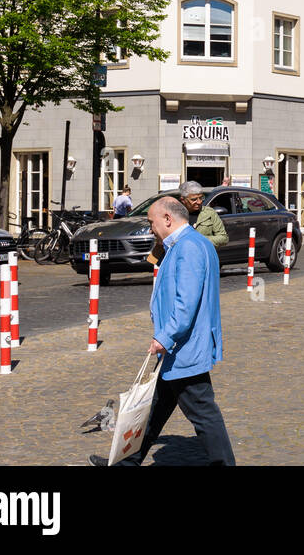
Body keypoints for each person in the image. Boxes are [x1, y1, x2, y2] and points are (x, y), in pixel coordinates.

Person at [91, 196, 235, 466]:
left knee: (204, 415)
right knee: (152, 409)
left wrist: (164, 337)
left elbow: (186, 303)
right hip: (179, 346)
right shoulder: (187, 243)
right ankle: (125, 463)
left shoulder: (189, 247)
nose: (150, 228)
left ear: (168, 219)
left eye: (151, 222)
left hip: (184, 346)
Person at [179, 180, 229, 249]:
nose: (199, 202)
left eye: (201, 198)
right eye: (194, 199)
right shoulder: (176, 214)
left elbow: (223, 238)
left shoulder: (210, 213)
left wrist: (199, 239)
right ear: (183, 200)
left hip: (204, 256)